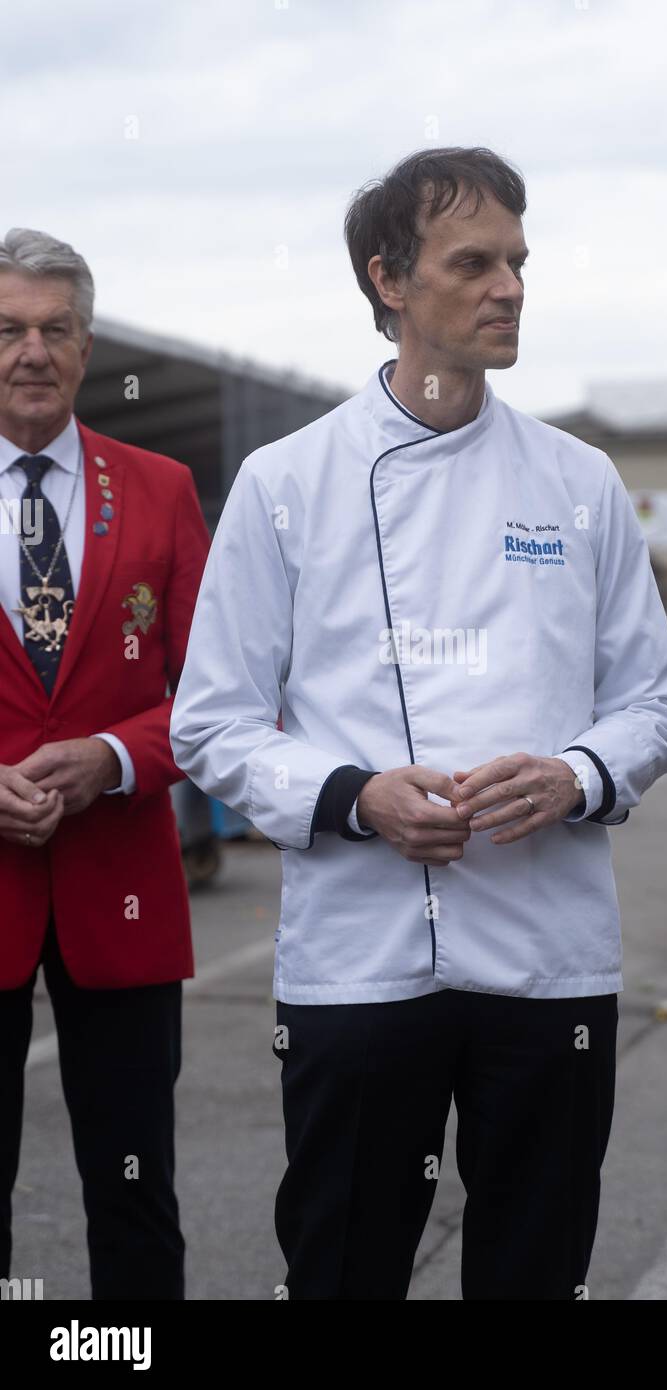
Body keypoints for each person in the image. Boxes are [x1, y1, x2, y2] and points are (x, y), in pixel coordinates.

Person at [170, 147, 667, 1300]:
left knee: (533, 1268)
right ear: (389, 281)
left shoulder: (579, 481)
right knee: (344, 1264)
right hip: (359, 967)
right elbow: (208, 723)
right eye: (473, 262)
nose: (508, 285)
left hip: (548, 956)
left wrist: (575, 773)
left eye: (517, 260)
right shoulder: (285, 481)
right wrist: (355, 795)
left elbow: (655, 700)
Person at [0, 228, 210, 1299]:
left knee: (132, 1191)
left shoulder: (163, 489)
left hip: (121, 894)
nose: (31, 350)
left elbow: (221, 699)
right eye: (8, 328)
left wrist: (111, 757)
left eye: (55, 329)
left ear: (86, 348)